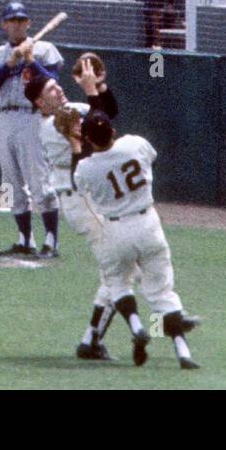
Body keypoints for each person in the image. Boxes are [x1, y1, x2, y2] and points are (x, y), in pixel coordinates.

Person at [73, 110, 200, 370]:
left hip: (115, 228)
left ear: (87, 138)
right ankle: (183, 351)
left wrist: (77, 145)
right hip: (148, 222)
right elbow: (151, 159)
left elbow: (80, 185)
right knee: (162, 291)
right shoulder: (134, 143)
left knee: (117, 283)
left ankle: (136, 325)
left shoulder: (85, 168)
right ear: (112, 131)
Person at [24, 59, 120, 361]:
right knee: (119, 267)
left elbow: (107, 116)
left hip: (89, 199)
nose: (59, 88)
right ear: (41, 103)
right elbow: (92, 142)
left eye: (57, 83)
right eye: (52, 89)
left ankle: (93, 338)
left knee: (121, 267)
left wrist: (99, 87)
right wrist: (91, 91)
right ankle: (93, 340)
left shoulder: (68, 111)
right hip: (80, 200)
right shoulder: (53, 124)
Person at [0, 2, 63, 258]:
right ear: (4, 24)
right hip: (6, 118)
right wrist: (9, 63)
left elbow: (52, 81)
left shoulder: (45, 49)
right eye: (11, 20)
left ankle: (51, 241)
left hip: (32, 117)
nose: (16, 24)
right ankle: (25, 240)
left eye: (21, 20)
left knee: (39, 180)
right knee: (11, 183)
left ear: (28, 23)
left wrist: (29, 60)